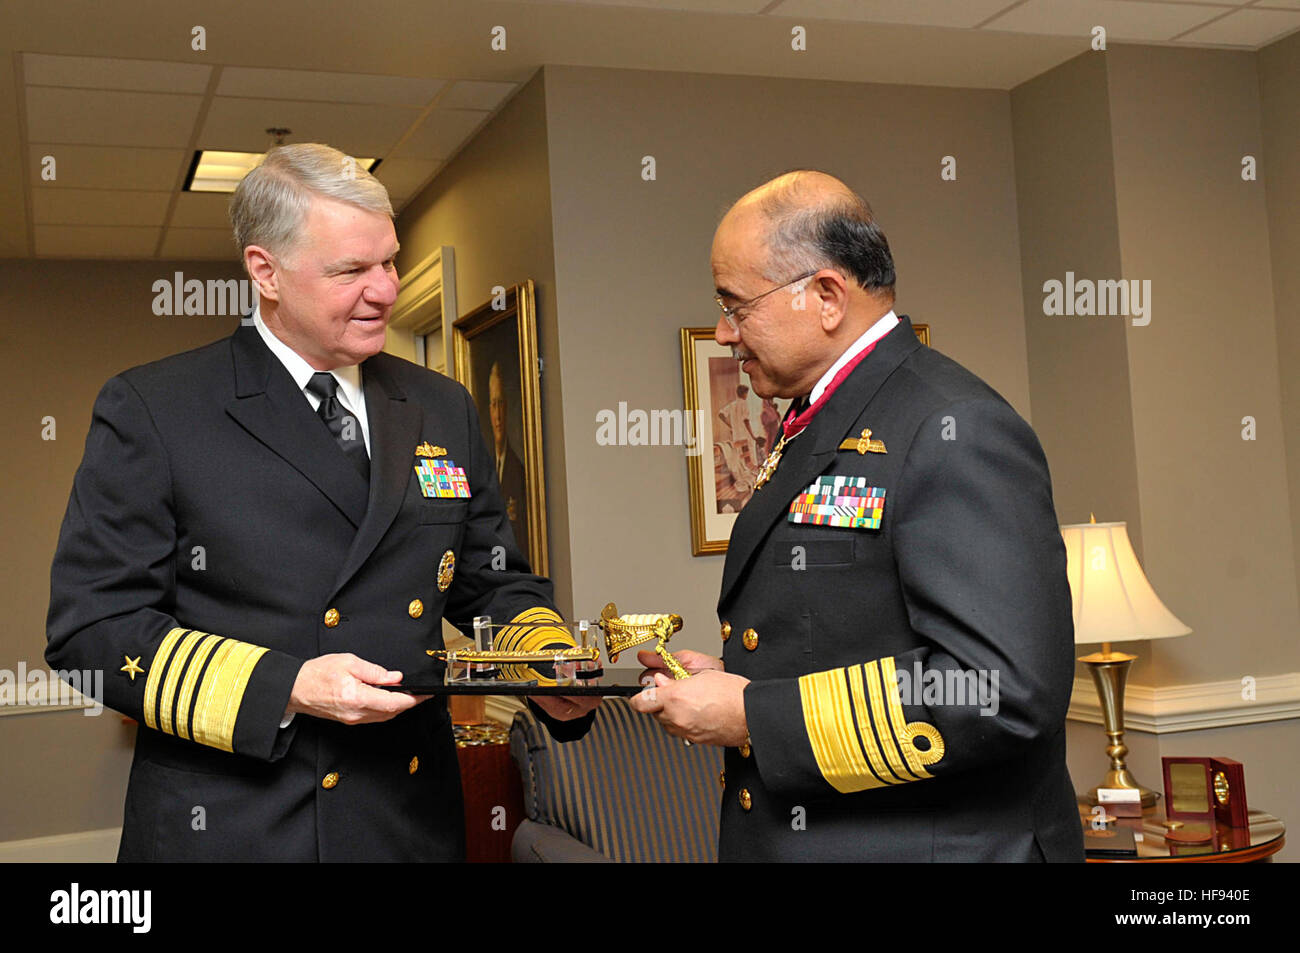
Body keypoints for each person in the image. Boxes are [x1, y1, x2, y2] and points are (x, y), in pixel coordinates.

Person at [45, 143, 598, 862]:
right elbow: (92, 629)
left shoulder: (440, 406)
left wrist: (549, 664)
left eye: (390, 262)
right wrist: (291, 685)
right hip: (237, 822)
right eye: (351, 271)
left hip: (405, 817)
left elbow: (492, 581)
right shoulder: (157, 408)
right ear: (263, 271)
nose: (385, 290)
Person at [631, 170, 1084, 862]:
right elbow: (853, 628)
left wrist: (753, 715)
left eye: (736, 305)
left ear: (826, 296)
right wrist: (738, 678)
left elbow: (1001, 688)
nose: (724, 332)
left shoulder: (951, 424)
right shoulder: (825, 415)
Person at [488, 361, 529, 558]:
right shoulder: (484, 468)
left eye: (501, 403)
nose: (498, 416)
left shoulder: (519, 471)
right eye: (494, 404)